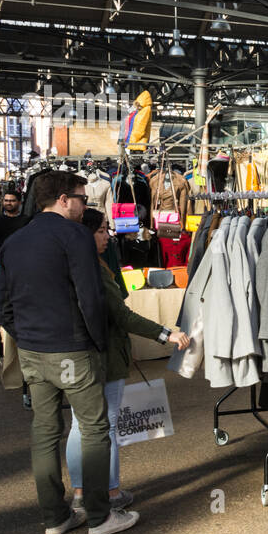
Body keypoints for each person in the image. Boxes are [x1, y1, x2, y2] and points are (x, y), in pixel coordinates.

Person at [0, 170, 137, 534]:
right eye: (82, 198)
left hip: (33, 350)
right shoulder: (74, 235)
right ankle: (99, 516)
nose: (84, 204)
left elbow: (3, 305)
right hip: (73, 346)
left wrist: (24, 335)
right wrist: (96, 341)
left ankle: (55, 517)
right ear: (62, 199)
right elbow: (90, 296)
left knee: (44, 432)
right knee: (93, 428)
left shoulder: (14, 241)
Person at [64, 209, 189, 510]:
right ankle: (110, 493)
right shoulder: (94, 269)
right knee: (104, 426)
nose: (107, 236)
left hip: (76, 356)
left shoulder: (70, 265)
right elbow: (122, 315)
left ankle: (81, 493)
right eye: (101, 231)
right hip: (102, 356)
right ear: (85, 233)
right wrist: (164, 333)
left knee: (79, 425)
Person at [0, 189, 29, 256]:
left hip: (20, 257)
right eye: (6, 200)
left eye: (12, 201)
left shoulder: (26, 220)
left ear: (19, 202)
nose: (8, 203)